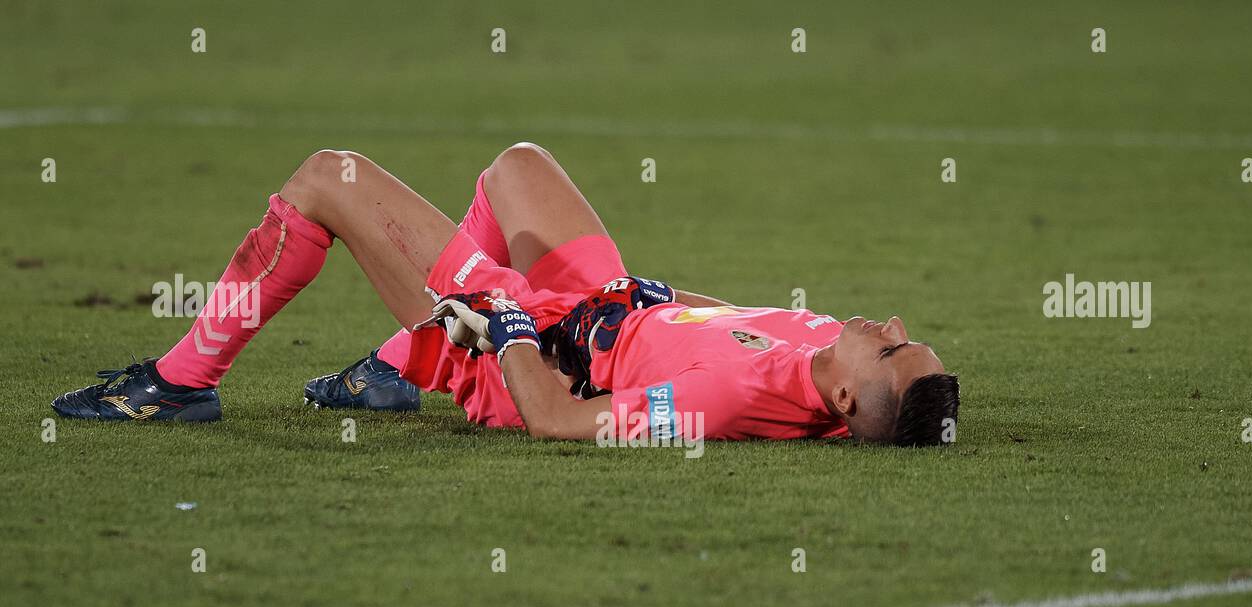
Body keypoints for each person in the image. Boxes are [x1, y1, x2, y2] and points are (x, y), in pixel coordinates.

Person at [51, 143, 958, 445]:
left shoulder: (721, 406)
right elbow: (710, 322)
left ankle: (176, 385)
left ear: (845, 400)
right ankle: (401, 363)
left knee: (328, 178)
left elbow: (560, 423)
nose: (891, 325)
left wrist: (509, 322)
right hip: (600, 300)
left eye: (889, 347)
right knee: (520, 166)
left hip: (526, 355)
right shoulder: (820, 347)